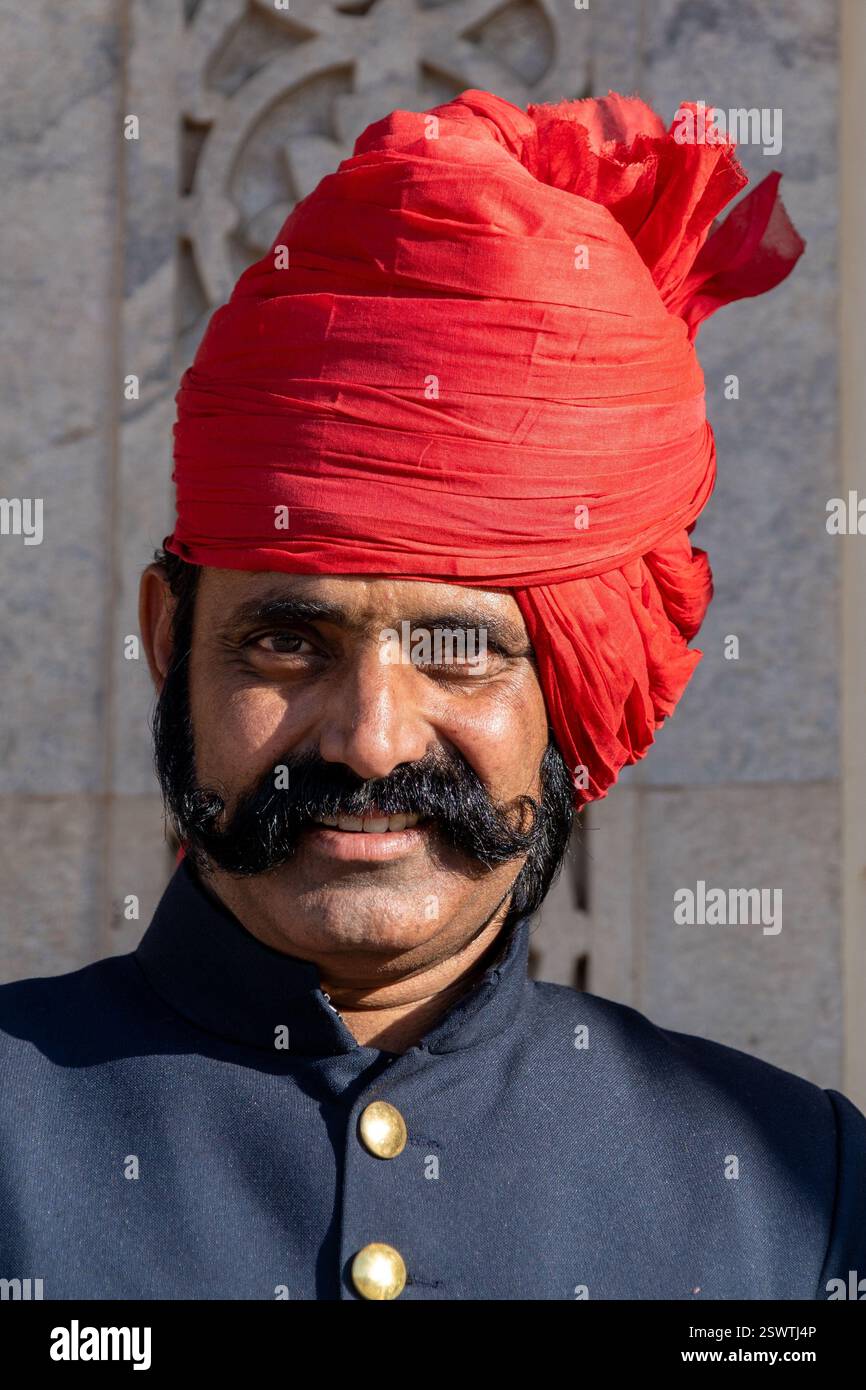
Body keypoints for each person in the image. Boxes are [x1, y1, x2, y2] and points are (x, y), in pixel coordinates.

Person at [1, 89, 863, 1301]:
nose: (368, 738)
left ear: (576, 672)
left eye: (458, 648)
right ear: (166, 639)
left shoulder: (792, 1198)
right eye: (289, 644)